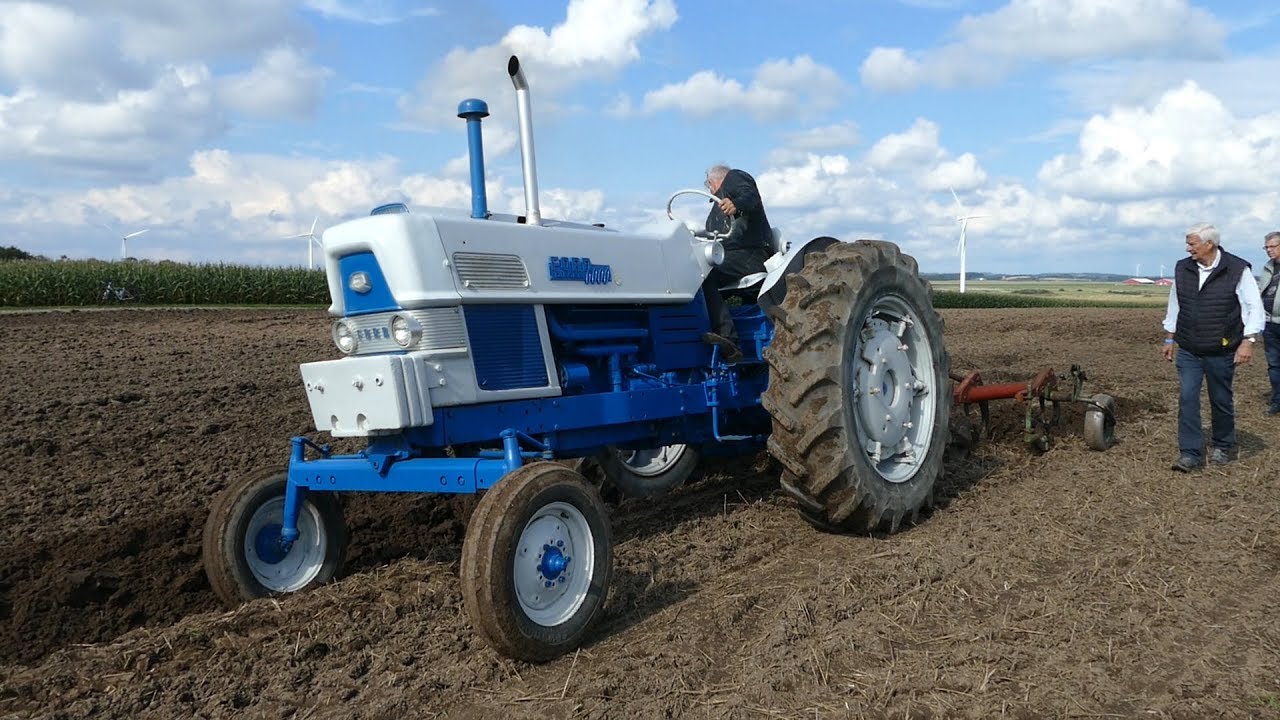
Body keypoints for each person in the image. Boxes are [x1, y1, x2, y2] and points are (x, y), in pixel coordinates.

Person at [1161, 223, 1265, 471]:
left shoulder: (1237, 269)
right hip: (1189, 349)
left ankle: (1222, 445)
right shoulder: (1183, 268)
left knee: (1220, 398)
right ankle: (1190, 453)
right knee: (1187, 398)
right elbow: (1175, 304)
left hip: (1222, 349)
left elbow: (1254, 306)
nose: (1188, 248)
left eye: (1192, 243)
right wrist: (1169, 337)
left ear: (1209, 244)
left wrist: (1248, 341)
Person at [700, 164, 774, 363]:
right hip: (730, 258)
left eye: (708, 184)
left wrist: (736, 204)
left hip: (749, 256)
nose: (709, 190)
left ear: (712, 181)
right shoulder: (716, 207)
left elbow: (750, 195)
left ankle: (728, 338)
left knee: (701, 274)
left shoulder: (734, 178)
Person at [1260, 231, 1280, 415]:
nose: (1268, 250)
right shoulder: (1268, 268)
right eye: (1266, 247)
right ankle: (1277, 401)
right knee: (1274, 364)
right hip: (1270, 324)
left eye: (1272, 246)